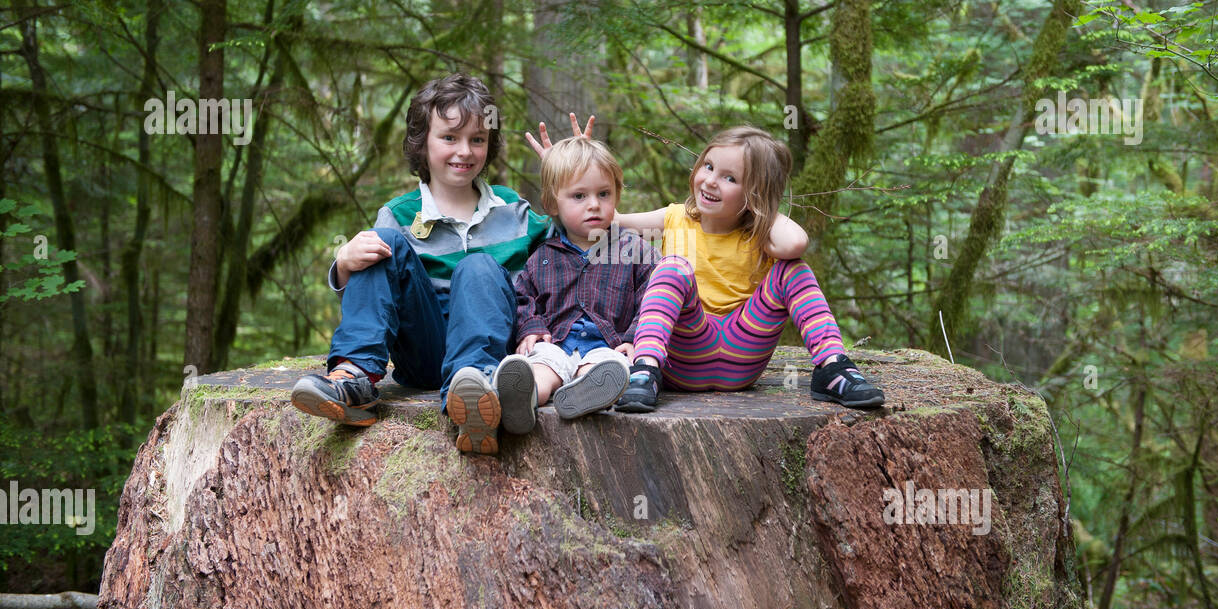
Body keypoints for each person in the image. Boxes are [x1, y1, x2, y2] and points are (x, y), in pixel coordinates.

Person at [530, 124, 884, 413]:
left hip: (743, 353)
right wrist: (569, 171)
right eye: (709, 167)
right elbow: (605, 218)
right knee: (671, 267)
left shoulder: (761, 235)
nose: (711, 181)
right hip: (685, 353)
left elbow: (794, 245)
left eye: (731, 178)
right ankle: (645, 370)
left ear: (755, 193)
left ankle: (833, 367)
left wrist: (761, 210)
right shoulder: (673, 218)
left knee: (794, 270)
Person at [290, 73, 553, 455]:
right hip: (424, 347)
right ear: (422, 143)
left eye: (477, 139)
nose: (464, 151)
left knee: (478, 267)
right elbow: (377, 299)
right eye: (449, 137)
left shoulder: (515, 211)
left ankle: (473, 398)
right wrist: (343, 263)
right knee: (381, 243)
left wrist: (567, 173)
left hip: (491, 348)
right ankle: (354, 379)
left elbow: (578, 243)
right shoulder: (398, 214)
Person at [492, 138, 655, 432]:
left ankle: (586, 394)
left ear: (617, 196)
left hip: (609, 346)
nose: (594, 204)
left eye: (603, 194)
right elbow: (523, 297)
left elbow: (652, 299)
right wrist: (532, 328)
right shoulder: (542, 255)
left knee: (607, 370)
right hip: (555, 343)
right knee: (541, 367)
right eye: (579, 196)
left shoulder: (634, 250)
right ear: (553, 203)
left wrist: (634, 338)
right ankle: (521, 399)